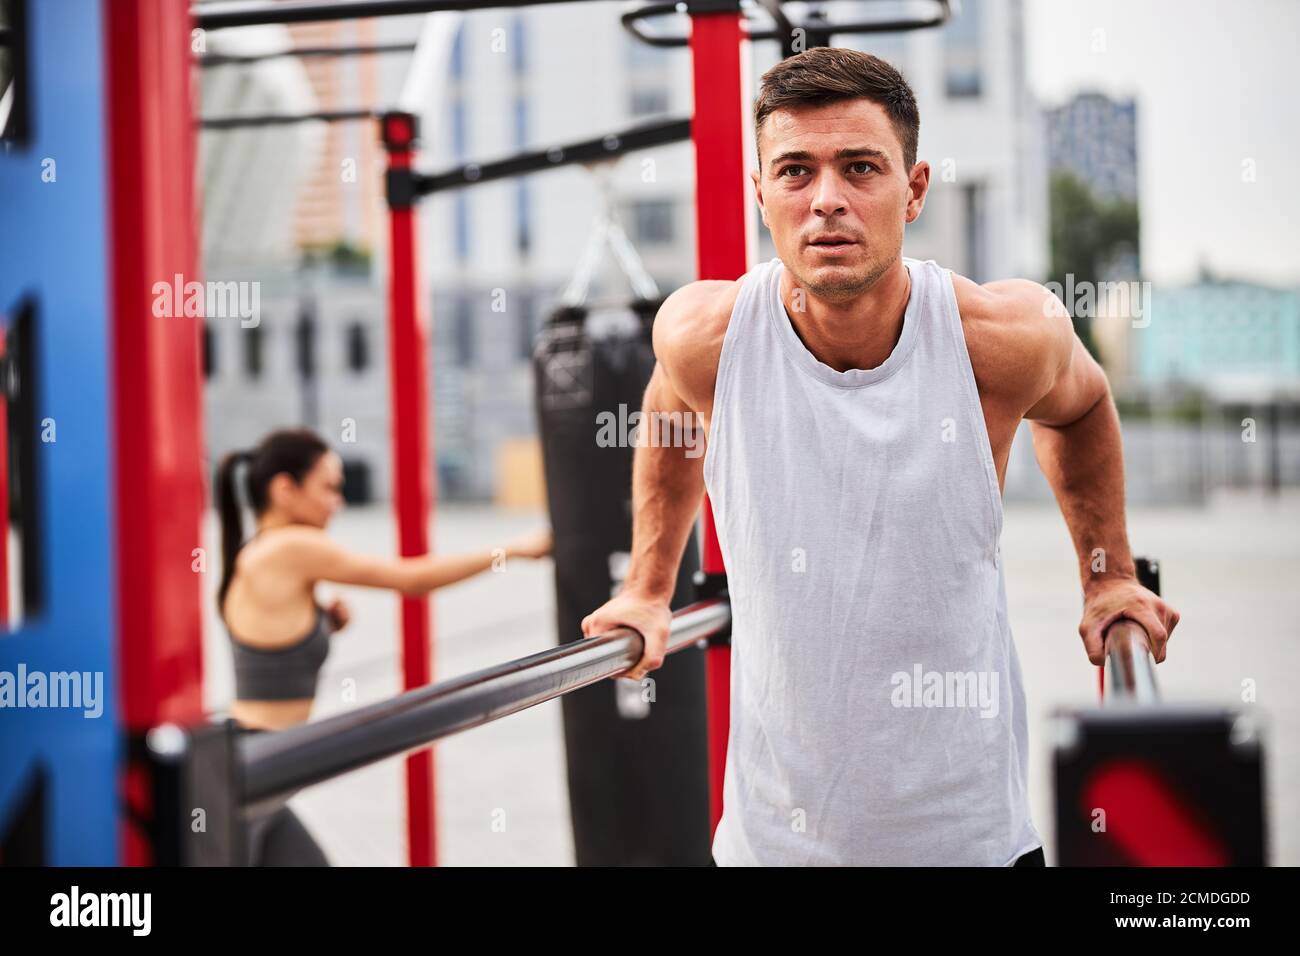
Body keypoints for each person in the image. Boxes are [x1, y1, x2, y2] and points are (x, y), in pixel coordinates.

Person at [580, 47, 1180, 866]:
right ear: (761, 194)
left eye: (860, 167)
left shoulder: (999, 339)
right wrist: (649, 589)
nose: (827, 200)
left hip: (970, 844)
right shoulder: (704, 339)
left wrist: (1107, 573)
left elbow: (1083, 407)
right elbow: (667, 413)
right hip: (771, 847)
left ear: (915, 189)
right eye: (795, 171)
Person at [214, 427, 552, 865]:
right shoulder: (292, 546)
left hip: (261, 767)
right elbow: (412, 580)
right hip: (257, 768)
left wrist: (320, 625)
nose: (339, 501)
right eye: (329, 488)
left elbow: (266, 648)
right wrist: (517, 548)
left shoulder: (258, 550)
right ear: (284, 489)